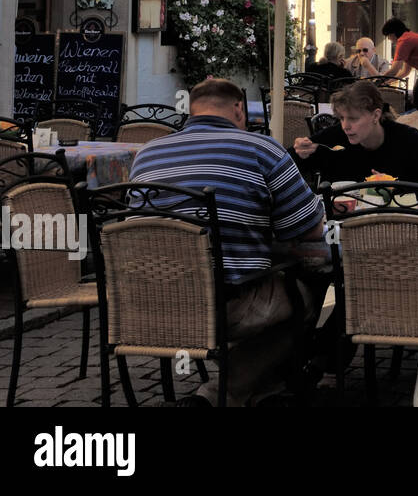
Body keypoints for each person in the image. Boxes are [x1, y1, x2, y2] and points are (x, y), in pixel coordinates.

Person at [129, 78, 326, 407]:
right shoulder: (261, 148)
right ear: (238, 108)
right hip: (225, 304)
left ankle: (263, 385)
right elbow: (309, 231)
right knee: (309, 295)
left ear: (191, 110)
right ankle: (220, 394)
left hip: (150, 301)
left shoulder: (146, 154)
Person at [294, 81, 418, 188]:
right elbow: (285, 168)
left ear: (376, 115)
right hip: (340, 226)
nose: (345, 126)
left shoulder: (405, 139)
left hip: (397, 224)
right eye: (341, 118)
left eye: (353, 119)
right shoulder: (333, 138)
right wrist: (301, 153)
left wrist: (399, 188)